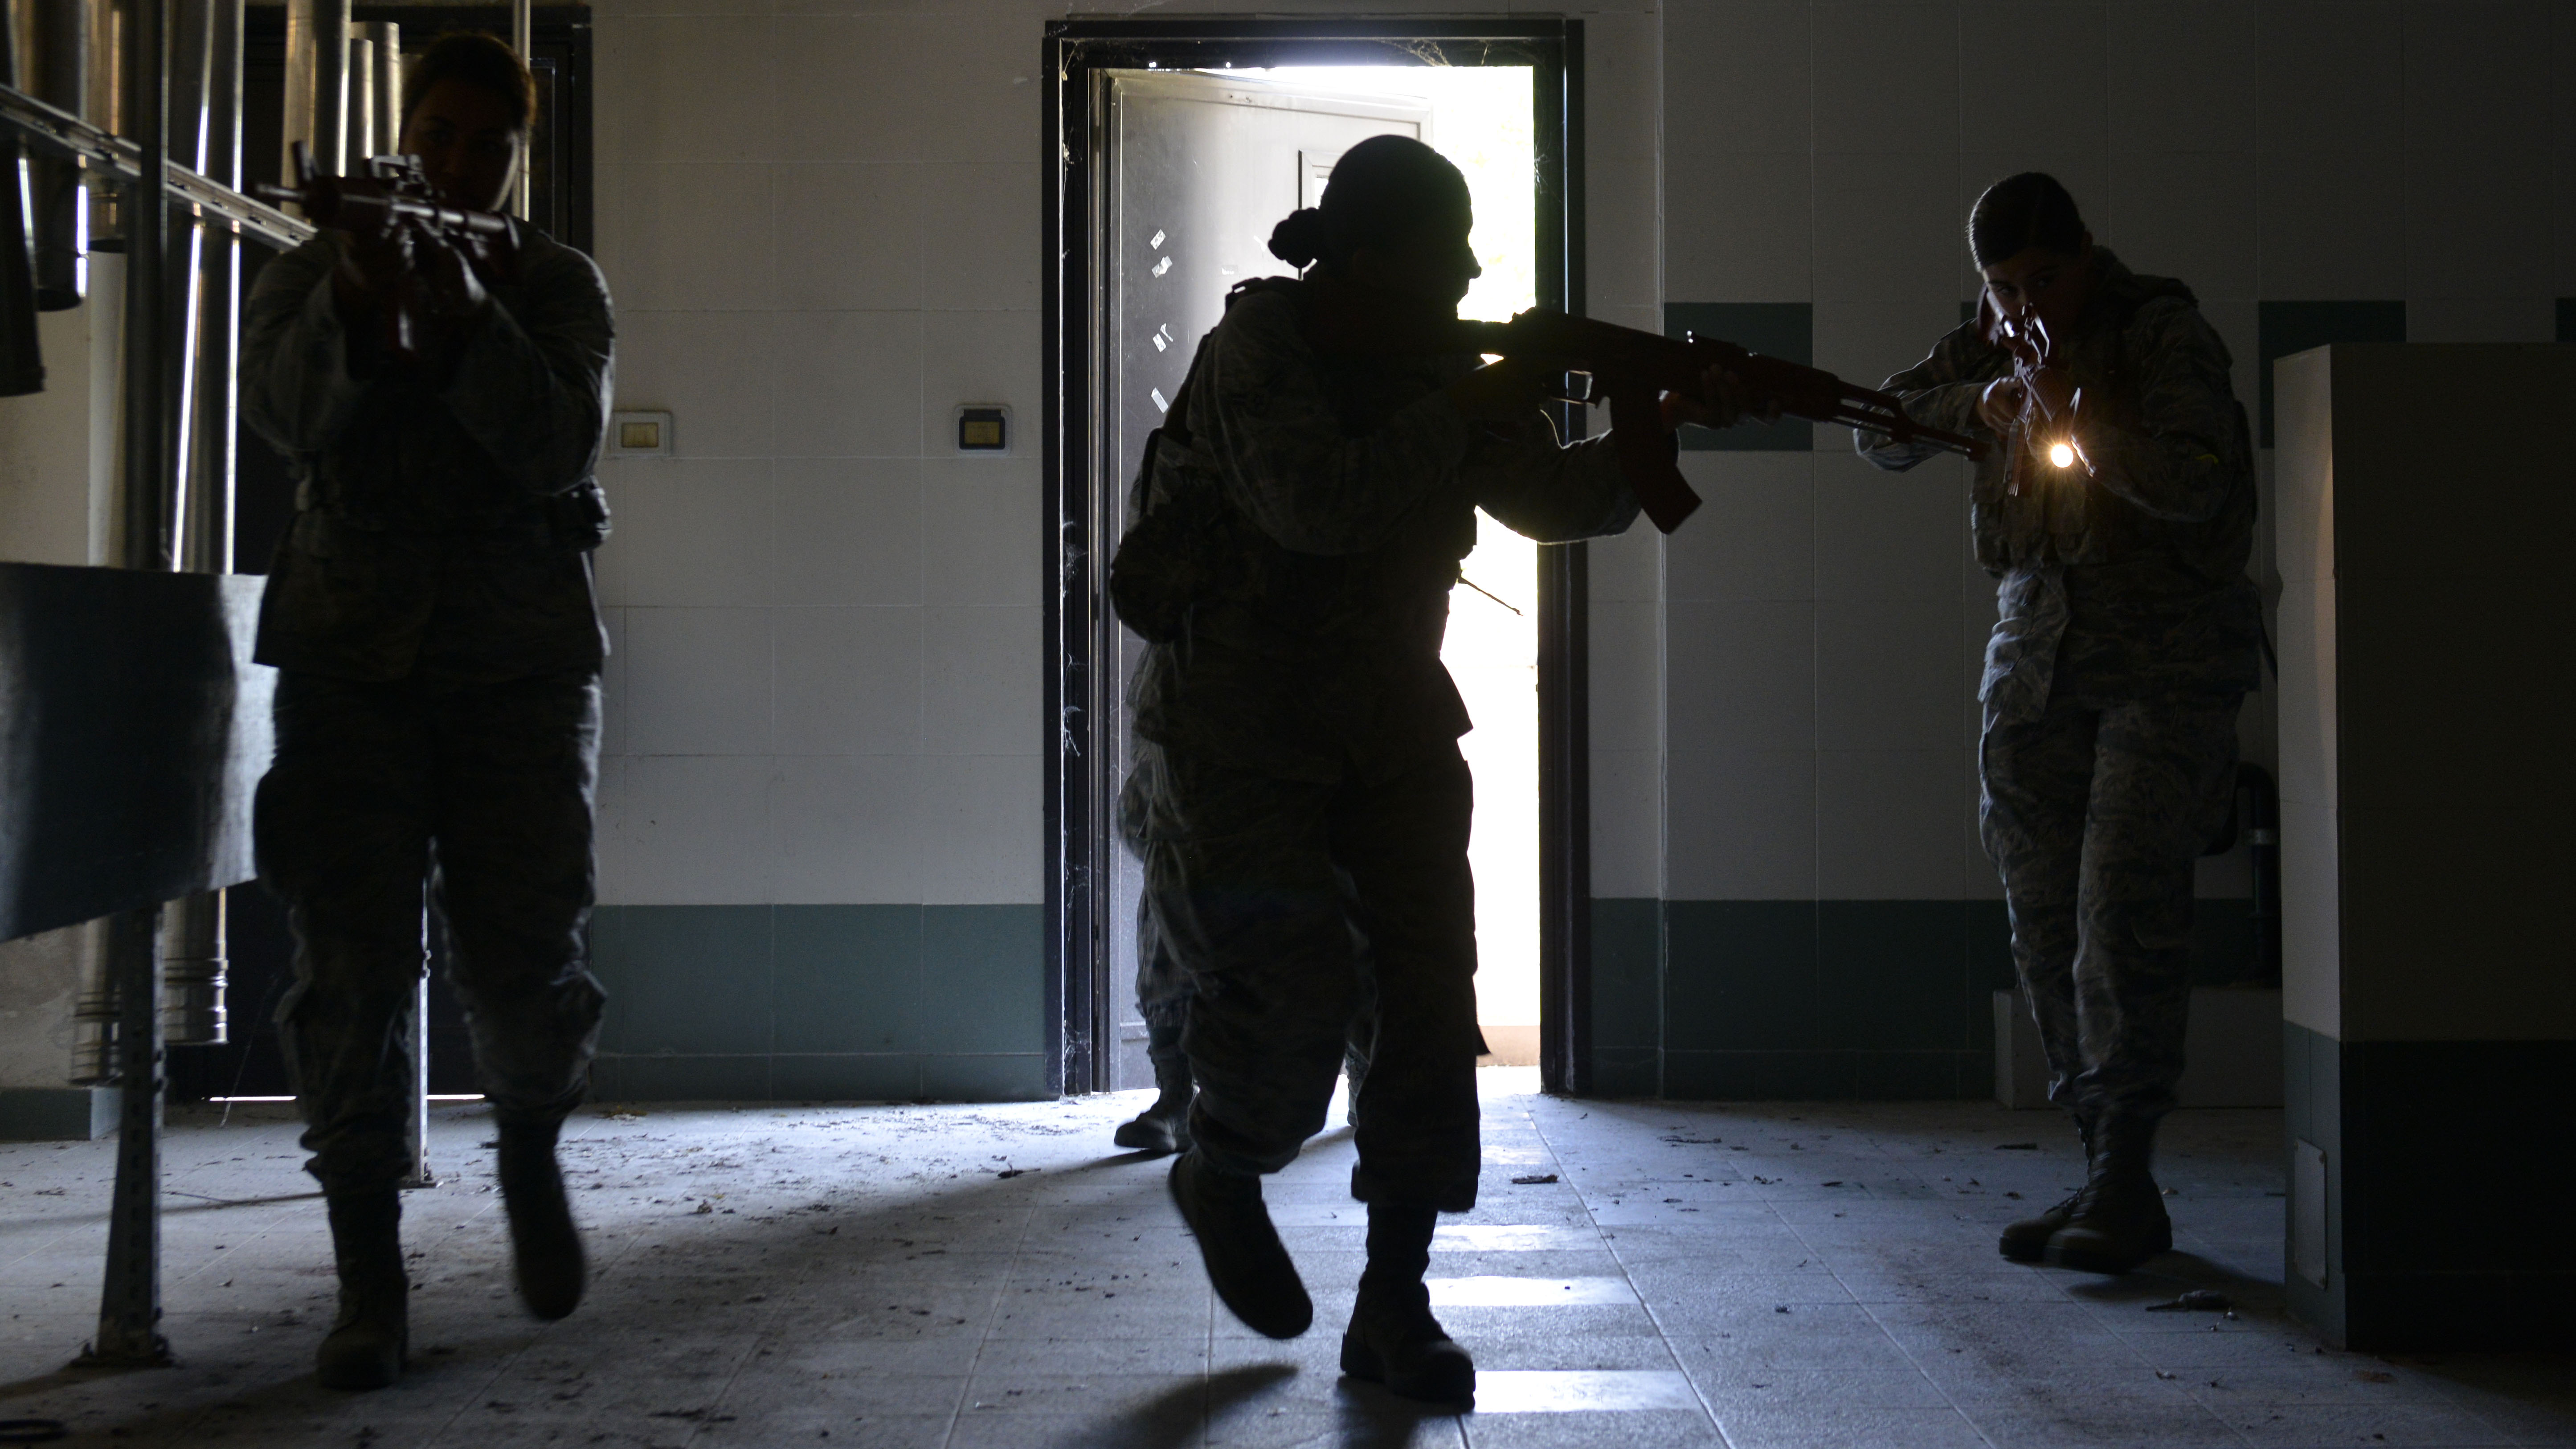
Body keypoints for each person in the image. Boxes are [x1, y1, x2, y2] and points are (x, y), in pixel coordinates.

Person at [1120, 134, 1742, 1404]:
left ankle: (1393, 1306)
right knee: (1282, 1006)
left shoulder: (1441, 369)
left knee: (1420, 1012)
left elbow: (1552, 501)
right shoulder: (1260, 349)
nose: (1466, 269)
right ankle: (1223, 1167)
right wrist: (1467, 399)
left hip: (1391, 722)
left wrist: (1657, 418)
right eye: (1443, 245)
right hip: (1237, 735)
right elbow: (1317, 504)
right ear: (1367, 254)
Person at [242, 32, 616, 1390]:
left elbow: (558, 438)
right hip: (348, 661)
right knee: (345, 968)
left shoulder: (555, 283)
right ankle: (369, 1280)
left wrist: (467, 320)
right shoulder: (312, 270)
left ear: (520, 155)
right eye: (438, 138)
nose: (459, 164)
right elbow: (282, 417)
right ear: (406, 141)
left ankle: (528, 1146)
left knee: (525, 952)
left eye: (486, 145)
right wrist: (355, 293)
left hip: (516, 664)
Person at [1857, 172, 2261, 1274]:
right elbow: (1878, 429)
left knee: (2122, 915)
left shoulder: (2161, 334)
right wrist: (1977, 407)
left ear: (2086, 252)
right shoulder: (1987, 343)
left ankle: (2126, 1173)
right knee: (2041, 922)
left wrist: (2083, 424)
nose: (2024, 305)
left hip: (2162, 665)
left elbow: (2199, 483)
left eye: (2043, 279)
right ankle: (2098, 1169)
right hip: (2034, 664)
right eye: (2002, 286)